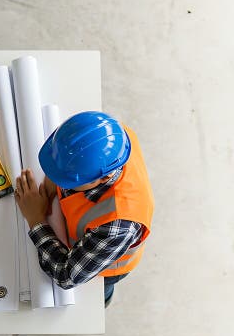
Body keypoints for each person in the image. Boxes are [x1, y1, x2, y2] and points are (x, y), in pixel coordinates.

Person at [14, 111, 155, 306]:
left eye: (67, 179)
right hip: (96, 237)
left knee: (98, 298)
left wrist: (36, 219)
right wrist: (51, 185)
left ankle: (105, 300)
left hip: (106, 264)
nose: (57, 179)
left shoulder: (118, 225)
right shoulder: (110, 135)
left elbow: (65, 275)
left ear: (103, 178)